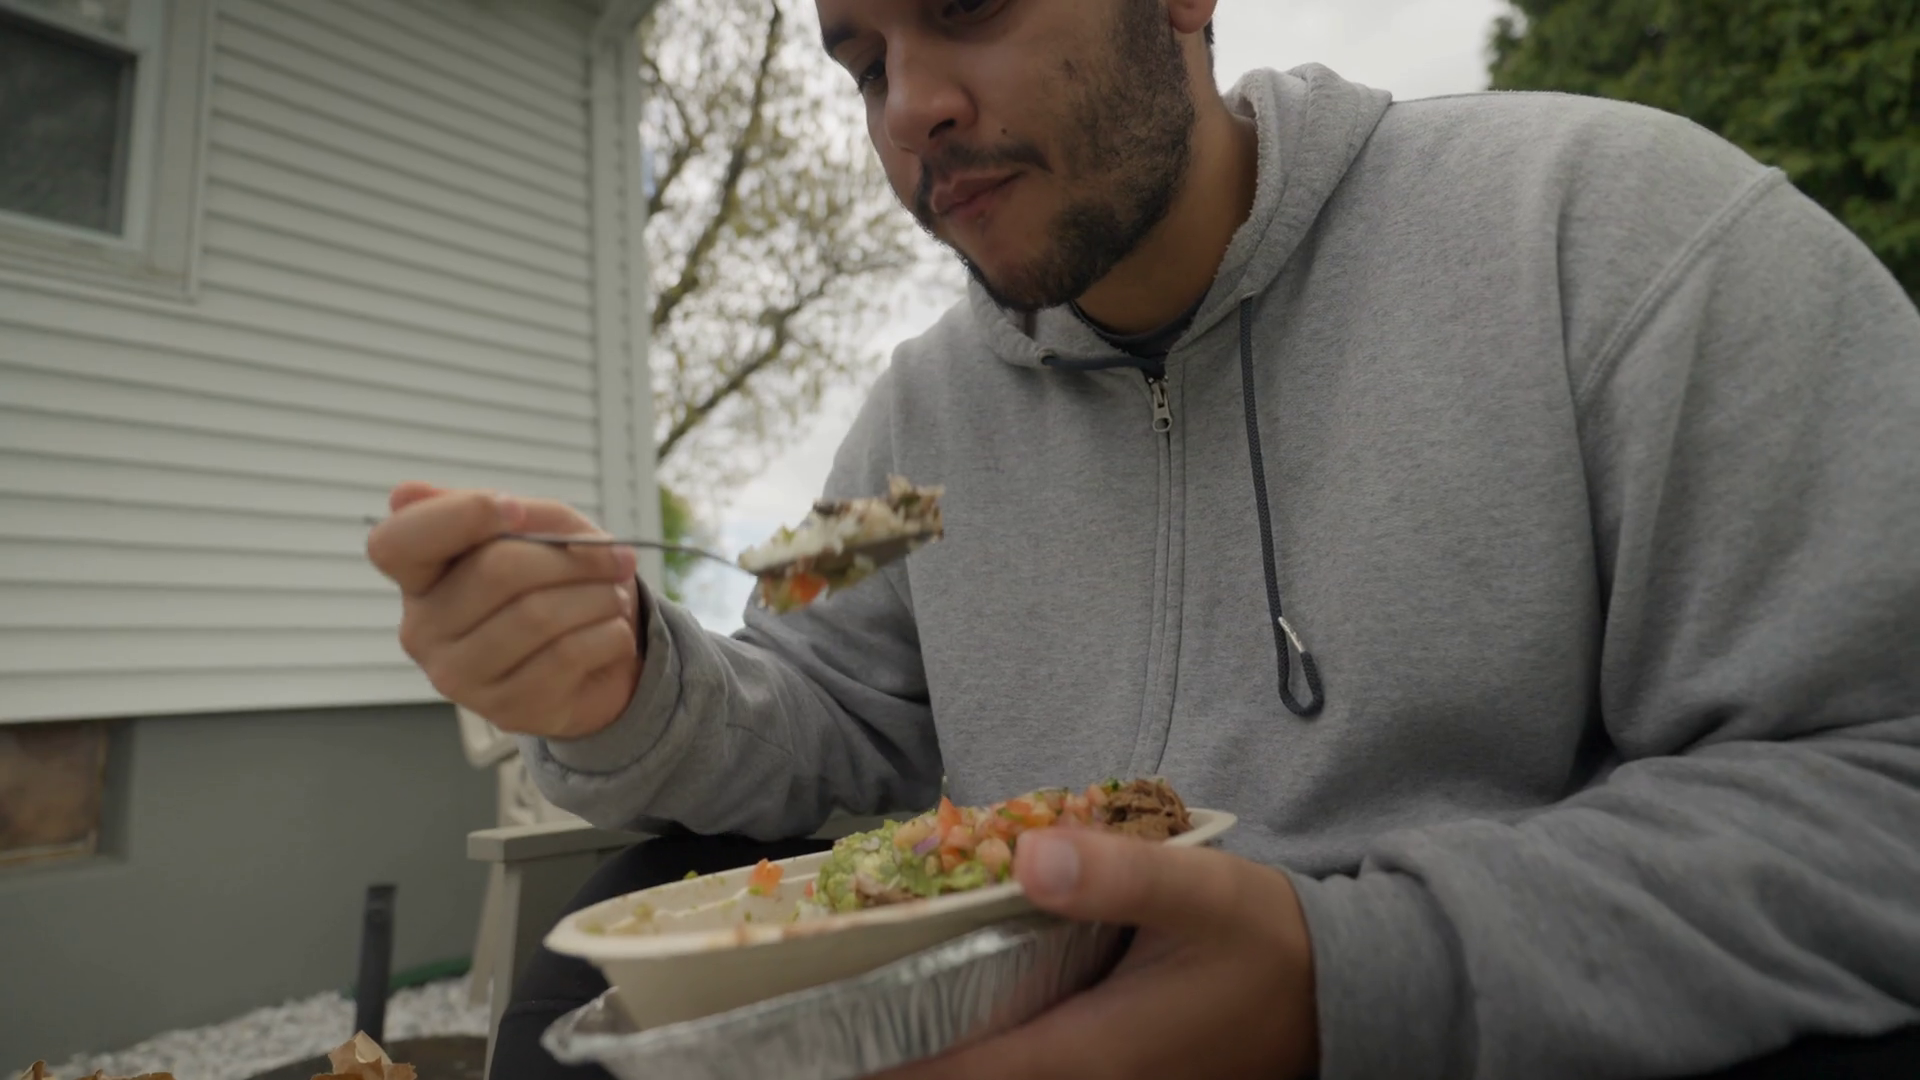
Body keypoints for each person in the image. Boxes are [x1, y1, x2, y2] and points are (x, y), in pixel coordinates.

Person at [365, 1, 1920, 1077]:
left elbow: (1877, 786)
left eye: (963, 6)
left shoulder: (1612, 237)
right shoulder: (921, 414)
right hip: (1008, 1019)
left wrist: (1357, 983)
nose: (910, 109)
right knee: (589, 971)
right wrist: (626, 681)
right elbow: (833, 726)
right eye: (859, 60)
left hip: (1488, 1026)